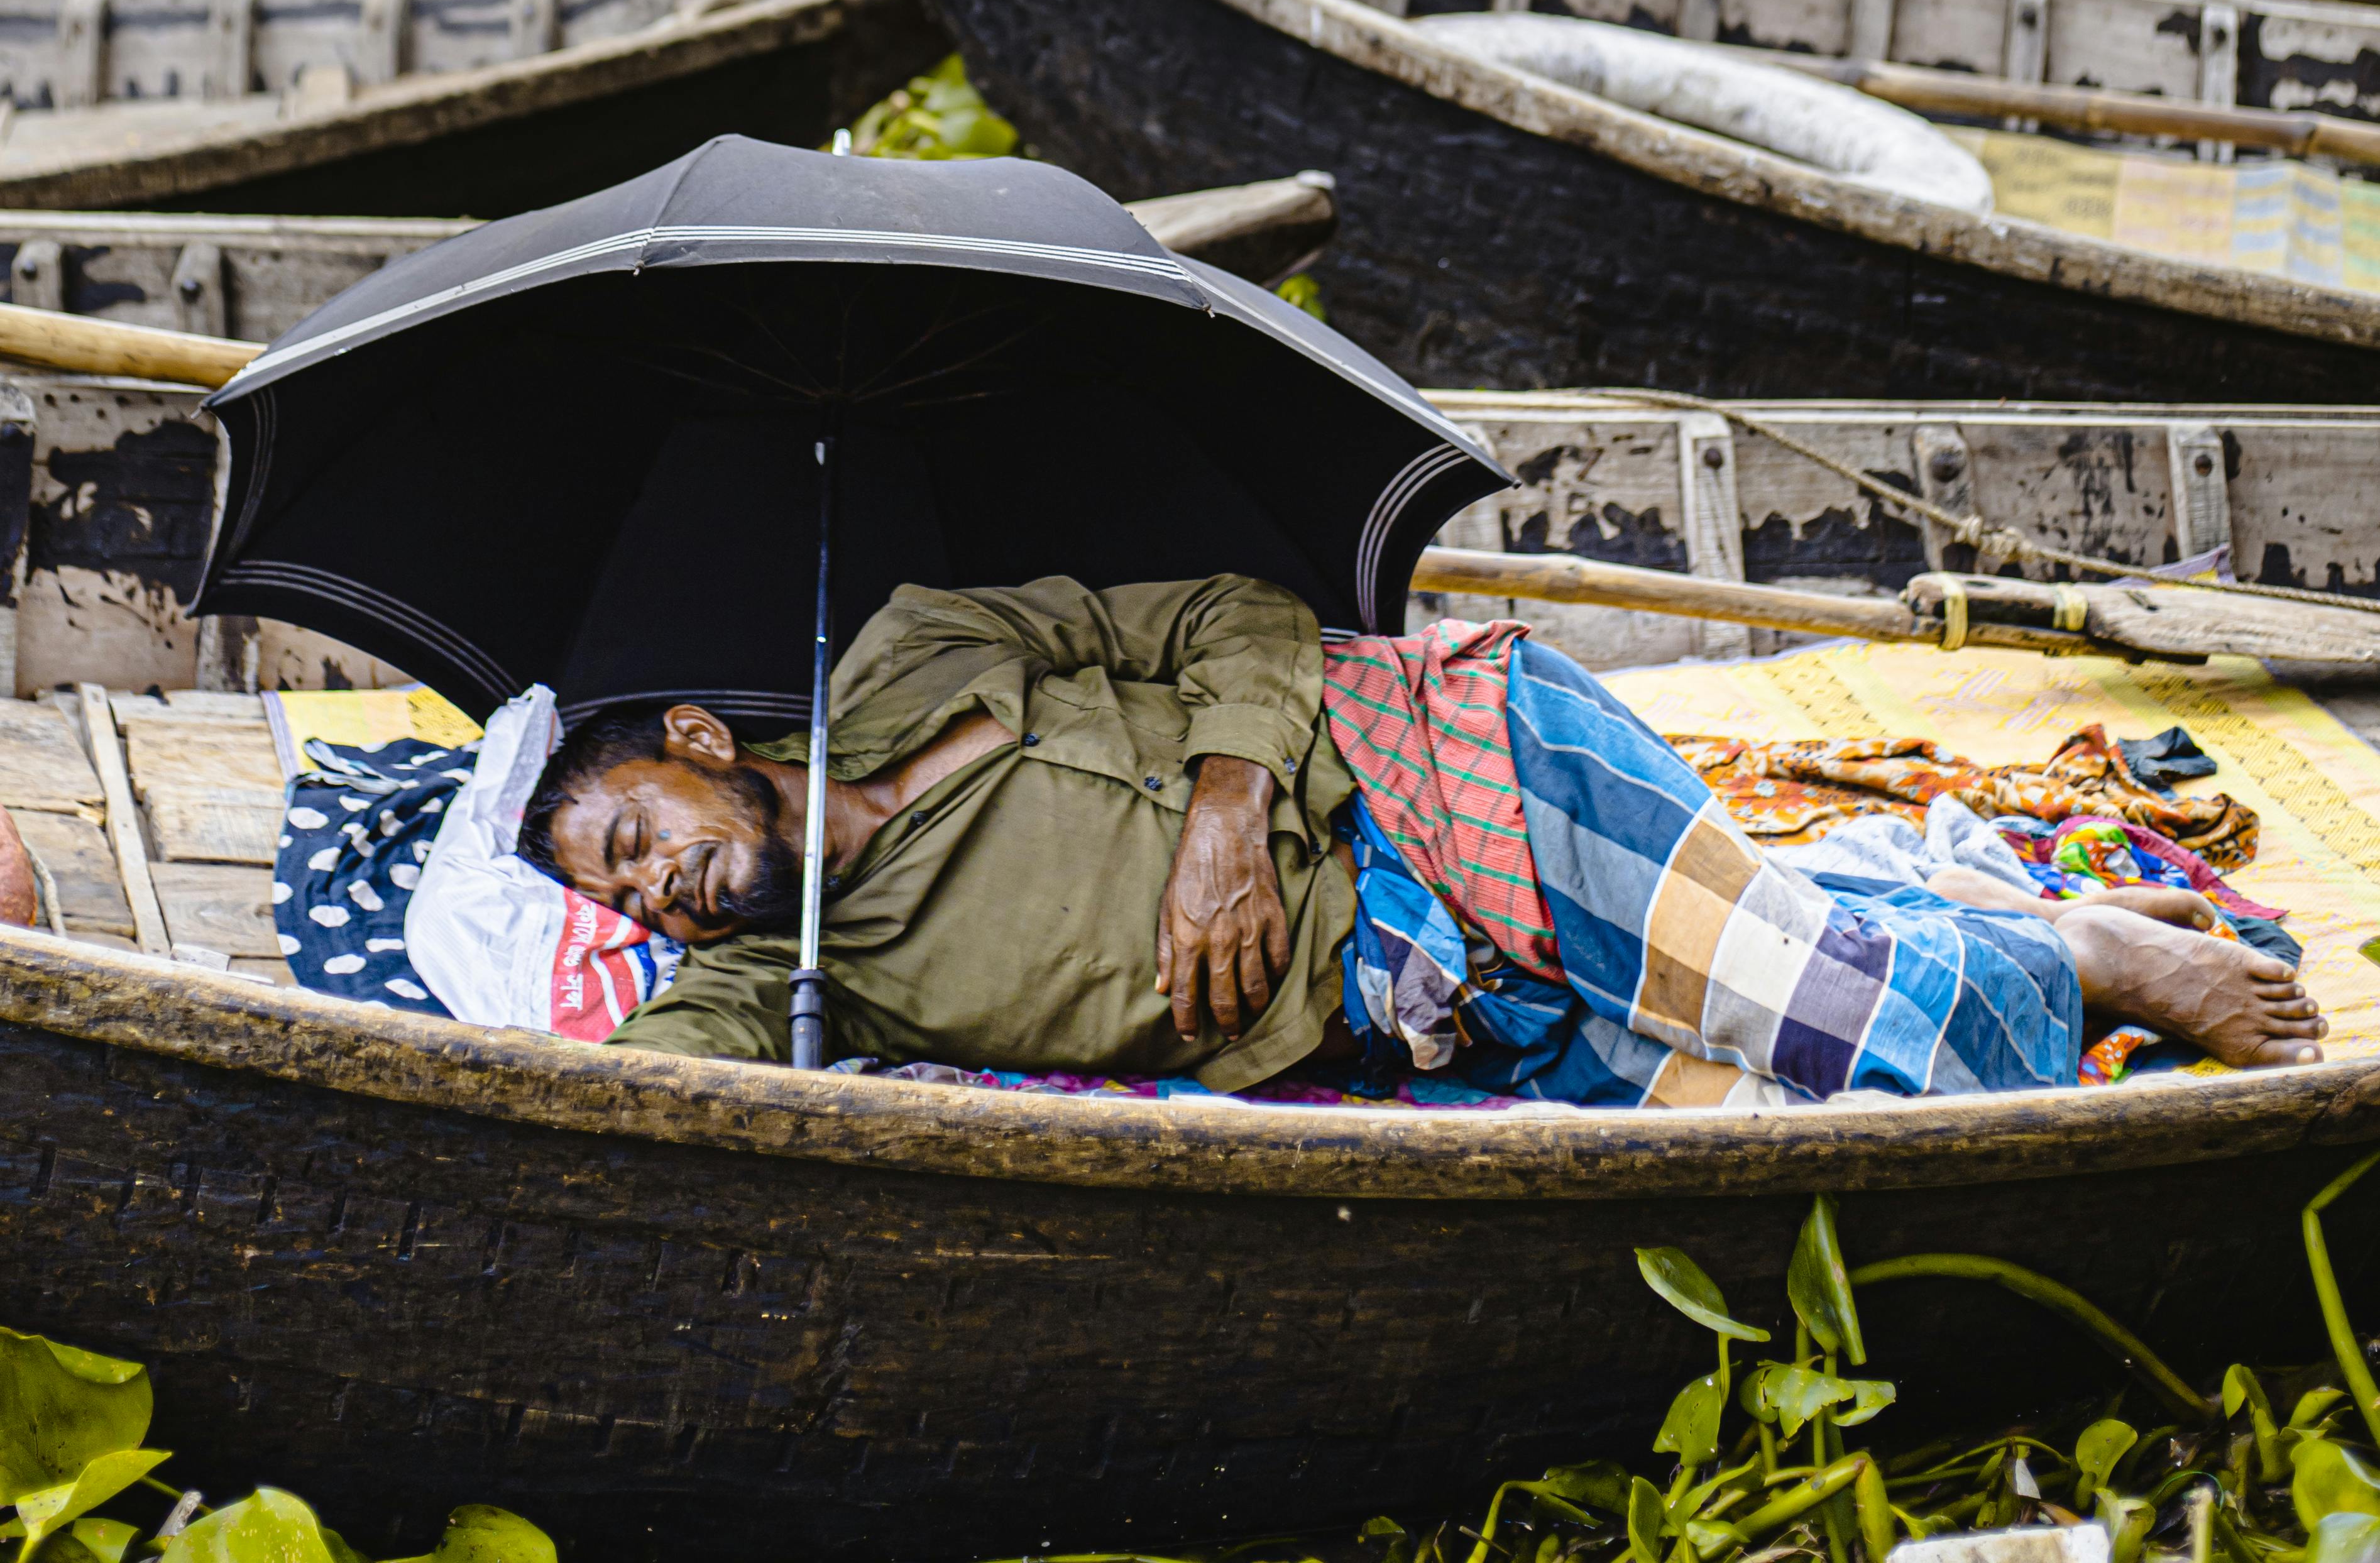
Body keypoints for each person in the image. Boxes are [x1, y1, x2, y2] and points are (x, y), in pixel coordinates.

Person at [525, 575, 2326, 1100]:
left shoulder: (923, 646)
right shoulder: (786, 981)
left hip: (1457, 786)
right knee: (1797, 1132)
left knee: (1879, 1033)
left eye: (633, 834)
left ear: (699, 744)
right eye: (617, 893)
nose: (651, 890)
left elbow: (1236, 616)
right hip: (1426, 1006)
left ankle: (2080, 946)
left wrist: (1230, 801)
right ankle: (1914, 899)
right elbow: (638, 1092)